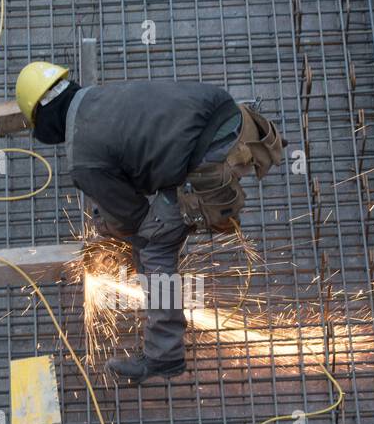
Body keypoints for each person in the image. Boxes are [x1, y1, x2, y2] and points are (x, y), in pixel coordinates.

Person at [15, 61, 284, 385]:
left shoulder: (83, 159)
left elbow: (133, 217)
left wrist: (117, 242)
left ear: (43, 119)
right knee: (152, 227)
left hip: (214, 157)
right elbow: (143, 153)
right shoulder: (97, 97)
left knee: (153, 245)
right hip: (236, 118)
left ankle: (164, 356)